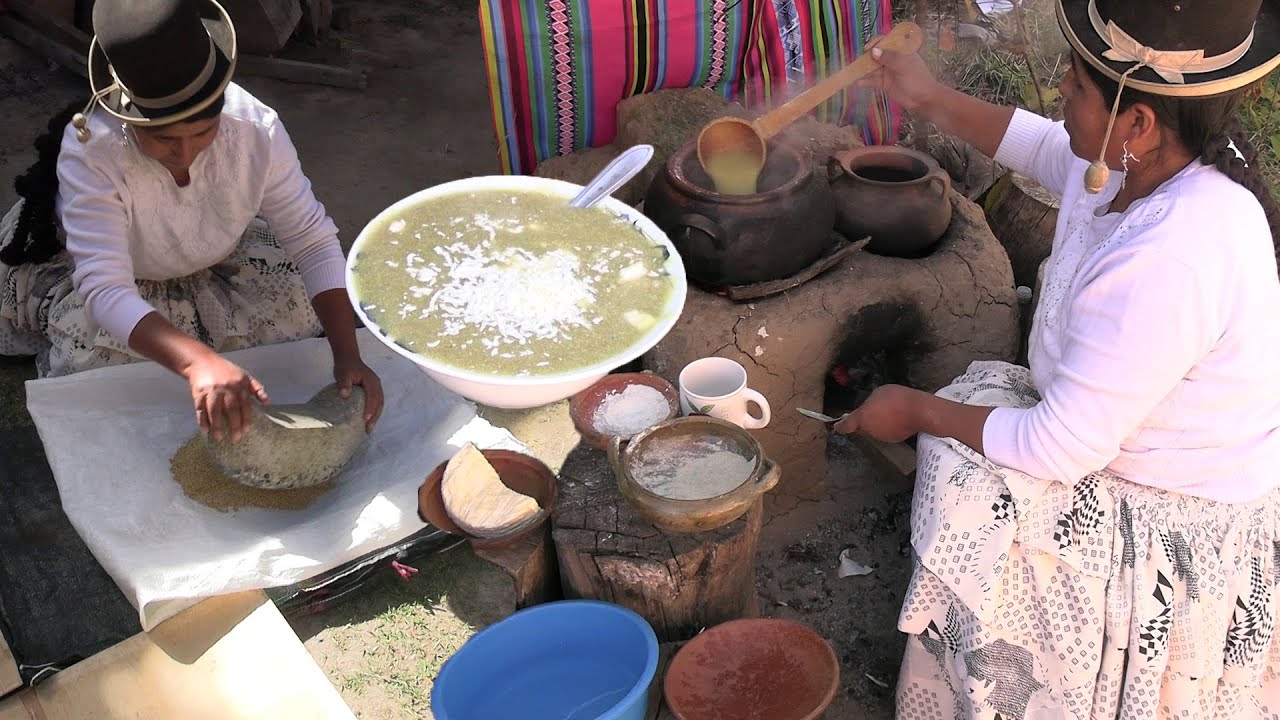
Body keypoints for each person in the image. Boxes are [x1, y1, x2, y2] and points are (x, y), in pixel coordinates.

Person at [836, 0, 1280, 716]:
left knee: (963, 490)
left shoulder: (1175, 255)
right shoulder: (1138, 161)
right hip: (1102, 435)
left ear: (1135, 123)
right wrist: (926, 94)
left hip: (1165, 512)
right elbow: (1041, 147)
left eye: (1074, 86)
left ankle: (1021, 691)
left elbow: (1058, 444)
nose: (1059, 91)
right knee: (969, 416)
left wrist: (915, 410)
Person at [0, 0, 383, 442]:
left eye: (203, 132)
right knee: (97, 373)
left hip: (213, 256)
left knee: (297, 320)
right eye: (163, 140)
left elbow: (311, 240)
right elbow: (106, 288)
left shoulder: (256, 129)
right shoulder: (94, 151)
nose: (185, 155)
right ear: (127, 116)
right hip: (117, 277)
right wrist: (198, 362)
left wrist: (348, 354)